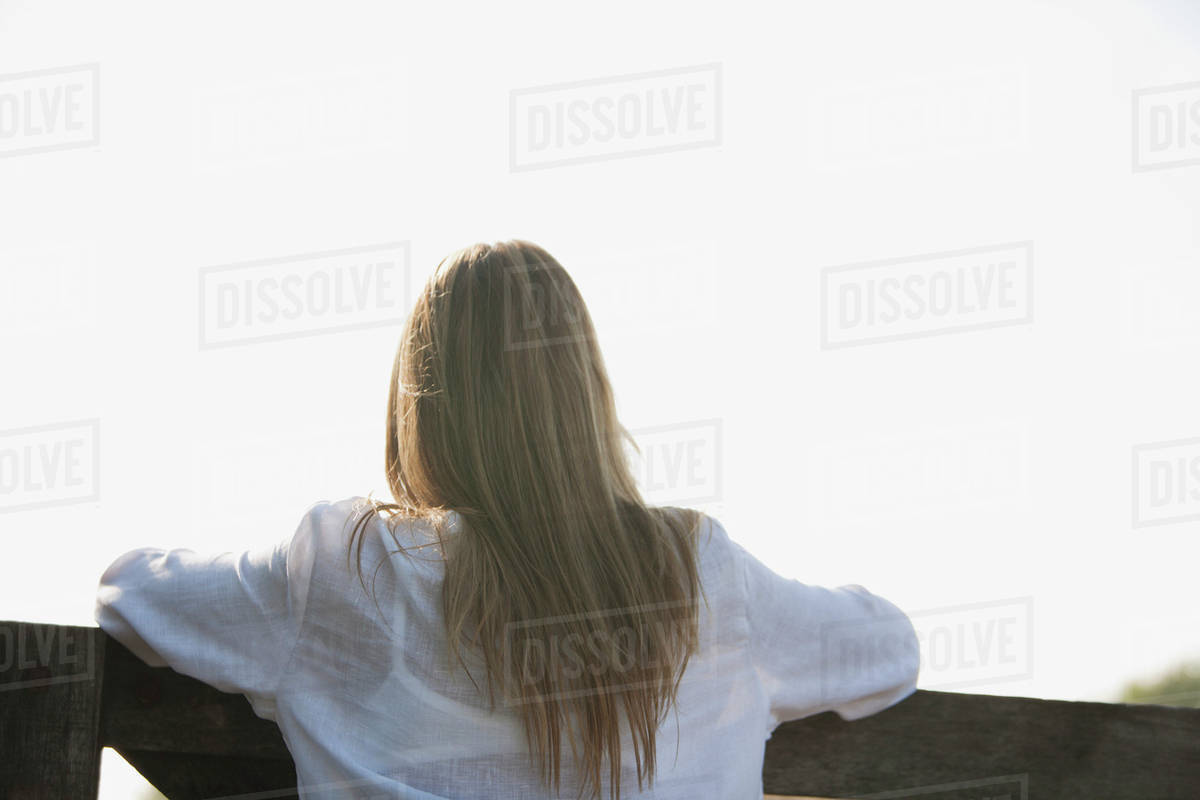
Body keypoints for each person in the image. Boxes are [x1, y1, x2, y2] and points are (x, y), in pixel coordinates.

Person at [96, 240, 919, 799]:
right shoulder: (703, 575)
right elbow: (889, 646)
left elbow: (129, 596)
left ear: (421, 409)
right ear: (584, 400)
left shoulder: (351, 569)